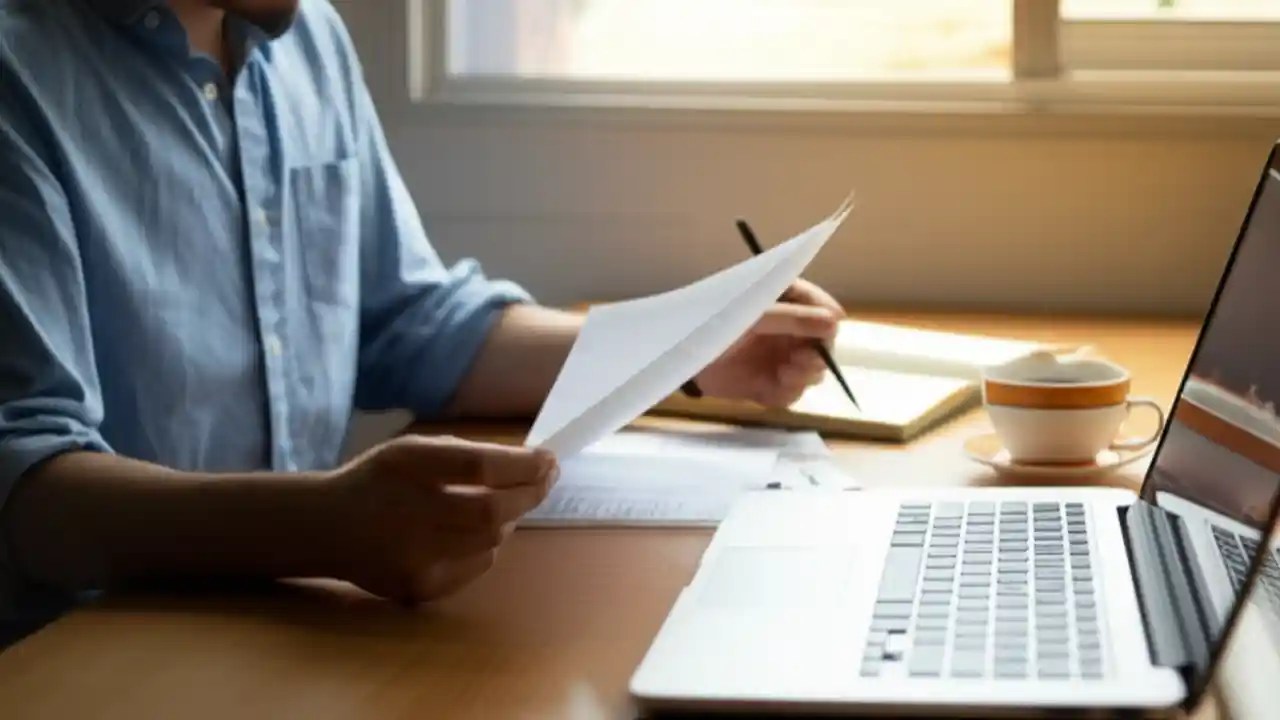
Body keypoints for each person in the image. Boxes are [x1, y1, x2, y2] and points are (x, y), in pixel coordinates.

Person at [0, 0, 842, 625]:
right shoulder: (20, 71)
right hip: (89, 658)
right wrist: (323, 529)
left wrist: (688, 345)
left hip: (281, 623)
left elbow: (410, 324)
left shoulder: (305, 42)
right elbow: (27, 493)